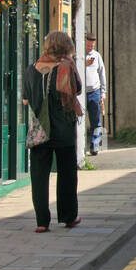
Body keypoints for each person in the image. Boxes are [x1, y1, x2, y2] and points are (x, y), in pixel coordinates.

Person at [23, 31, 83, 233]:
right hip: (63, 128)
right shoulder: (66, 67)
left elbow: (26, 99)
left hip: (39, 129)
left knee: (39, 176)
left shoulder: (31, 69)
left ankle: (42, 221)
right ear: (66, 46)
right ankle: (68, 216)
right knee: (67, 174)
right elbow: (78, 89)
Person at [83, 33, 107, 156]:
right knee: (80, 120)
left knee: (96, 120)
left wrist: (103, 92)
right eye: (88, 45)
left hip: (94, 91)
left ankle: (95, 146)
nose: (90, 47)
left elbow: (102, 74)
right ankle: (81, 147)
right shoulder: (79, 56)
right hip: (81, 92)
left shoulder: (97, 56)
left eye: (92, 45)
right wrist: (84, 64)